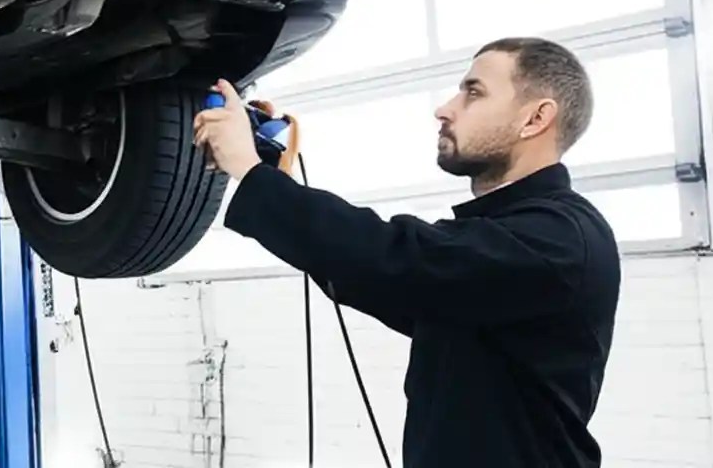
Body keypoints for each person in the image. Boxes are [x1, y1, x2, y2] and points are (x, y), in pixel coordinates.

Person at [194, 36, 621, 468]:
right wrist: (269, 179)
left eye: (473, 92)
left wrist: (252, 174)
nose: (445, 108)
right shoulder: (504, 234)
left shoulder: (561, 236)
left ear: (535, 119)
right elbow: (382, 278)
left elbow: (398, 260)